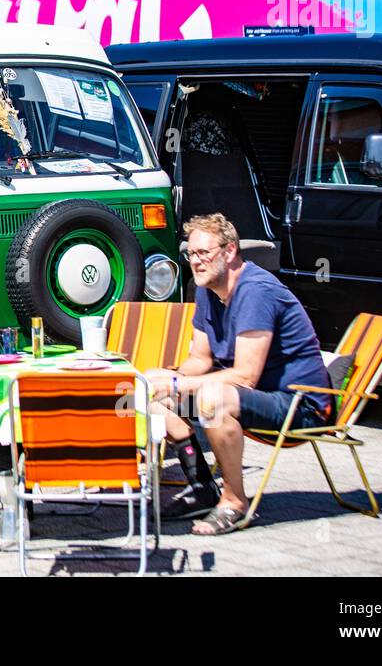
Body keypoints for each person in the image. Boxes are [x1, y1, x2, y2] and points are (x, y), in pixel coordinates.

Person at [148, 212, 331, 535]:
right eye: (191, 254)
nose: (196, 262)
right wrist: (166, 379)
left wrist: (182, 383)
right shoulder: (207, 289)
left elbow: (245, 375)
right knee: (152, 399)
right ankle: (203, 488)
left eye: (204, 253)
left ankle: (234, 501)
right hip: (254, 396)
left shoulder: (256, 290)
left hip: (297, 404)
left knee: (211, 400)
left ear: (230, 251)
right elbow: (199, 359)